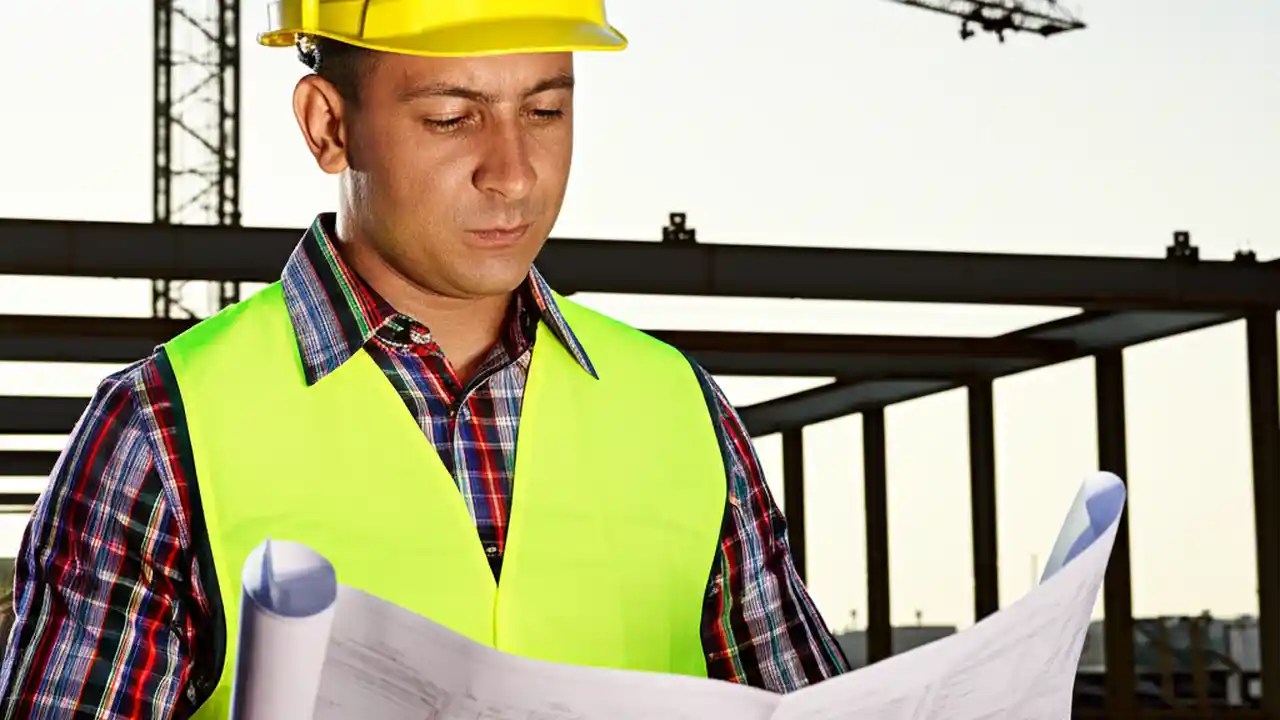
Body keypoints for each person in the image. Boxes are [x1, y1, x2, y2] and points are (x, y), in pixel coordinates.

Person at [0, 1, 850, 717]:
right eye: (452, 117)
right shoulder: (160, 429)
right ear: (328, 126)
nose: (513, 175)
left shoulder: (677, 410)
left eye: (546, 111)